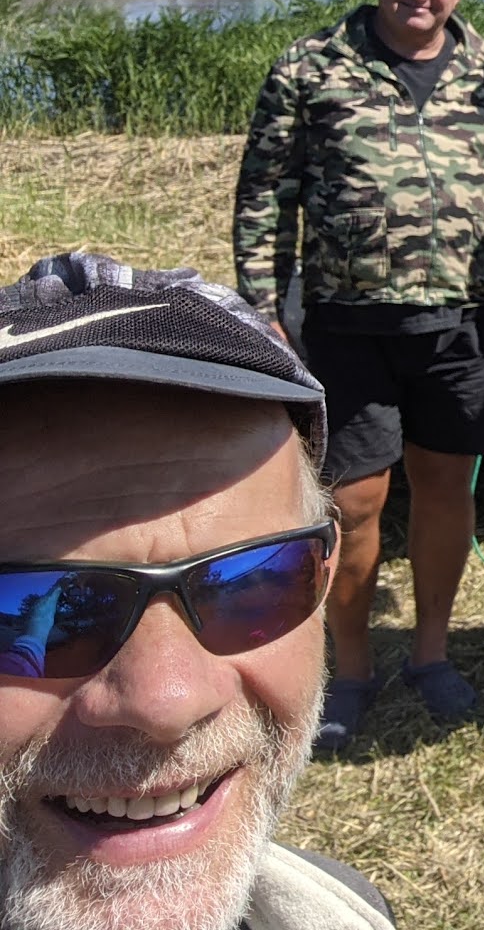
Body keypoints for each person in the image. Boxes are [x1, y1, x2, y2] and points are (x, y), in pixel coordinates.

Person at [0, 252, 396, 929]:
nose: (167, 702)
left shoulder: (346, 907)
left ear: (326, 575)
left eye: (256, 582)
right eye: (42, 609)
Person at [234, 0, 484, 751]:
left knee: (446, 488)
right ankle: (352, 669)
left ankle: (431, 653)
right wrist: (262, 306)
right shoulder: (310, 68)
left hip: (461, 322)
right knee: (354, 501)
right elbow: (265, 193)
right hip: (347, 320)